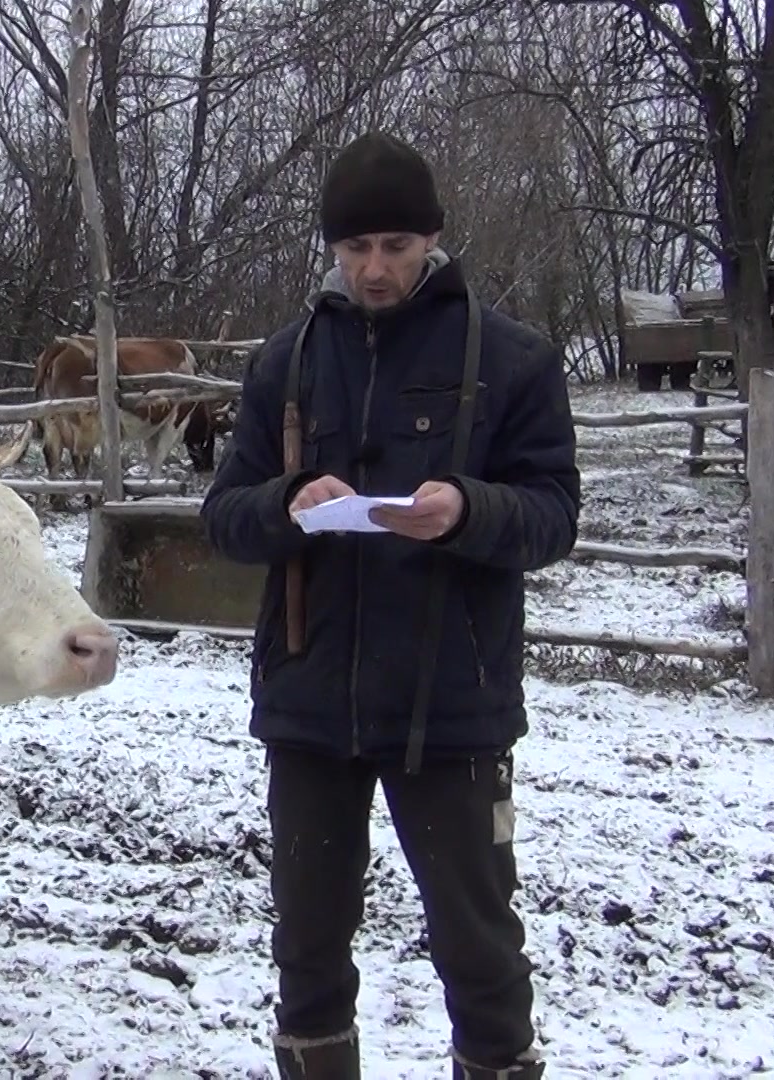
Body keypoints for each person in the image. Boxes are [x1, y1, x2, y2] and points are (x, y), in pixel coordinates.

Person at [199, 131, 581, 1080]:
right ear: (331, 246)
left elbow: (553, 515)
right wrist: (288, 505)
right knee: (308, 950)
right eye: (356, 248)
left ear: (433, 242)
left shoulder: (513, 359)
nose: (375, 270)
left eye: (397, 248)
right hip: (310, 704)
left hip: (452, 706)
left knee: (479, 947)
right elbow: (224, 519)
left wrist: (467, 509)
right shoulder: (284, 363)